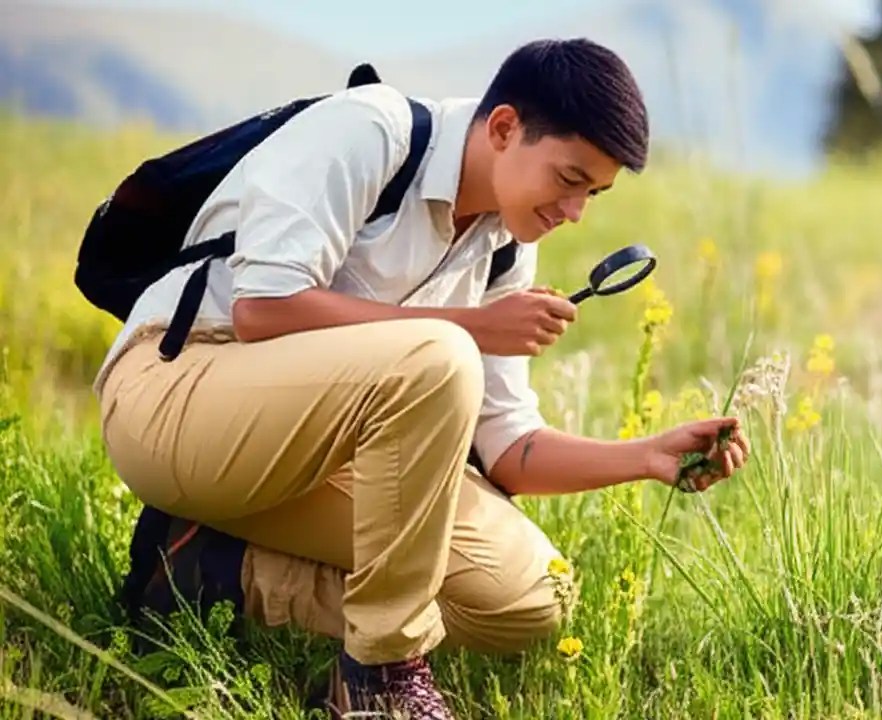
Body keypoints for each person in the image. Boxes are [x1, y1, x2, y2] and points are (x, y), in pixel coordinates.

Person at [96, 37, 750, 718]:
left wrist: (644, 456)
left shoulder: (502, 250)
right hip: (174, 401)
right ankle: (379, 677)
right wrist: (471, 328)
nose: (576, 211)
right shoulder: (371, 131)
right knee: (439, 356)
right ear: (503, 127)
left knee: (530, 593)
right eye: (569, 179)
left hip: (309, 464)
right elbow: (264, 308)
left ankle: (212, 572)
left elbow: (509, 449)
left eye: (595, 193)